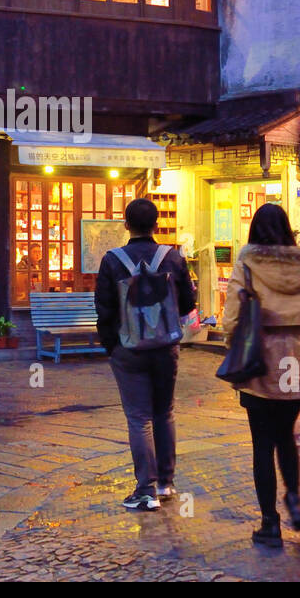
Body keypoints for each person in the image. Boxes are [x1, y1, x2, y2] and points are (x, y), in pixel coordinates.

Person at [223, 203, 300, 548]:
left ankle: (270, 524)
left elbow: (230, 320)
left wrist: (237, 344)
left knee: (262, 443)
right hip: (298, 361)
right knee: (286, 435)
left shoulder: (247, 263)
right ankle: (296, 500)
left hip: (259, 360)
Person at [94, 198, 196, 511]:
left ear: (126, 225)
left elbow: (104, 308)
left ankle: (145, 489)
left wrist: (112, 346)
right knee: (165, 412)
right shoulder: (173, 258)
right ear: (156, 225)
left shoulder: (112, 260)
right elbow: (187, 303)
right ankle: (167, 482)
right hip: (166, 347)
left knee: (139, 418)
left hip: (128, 348)